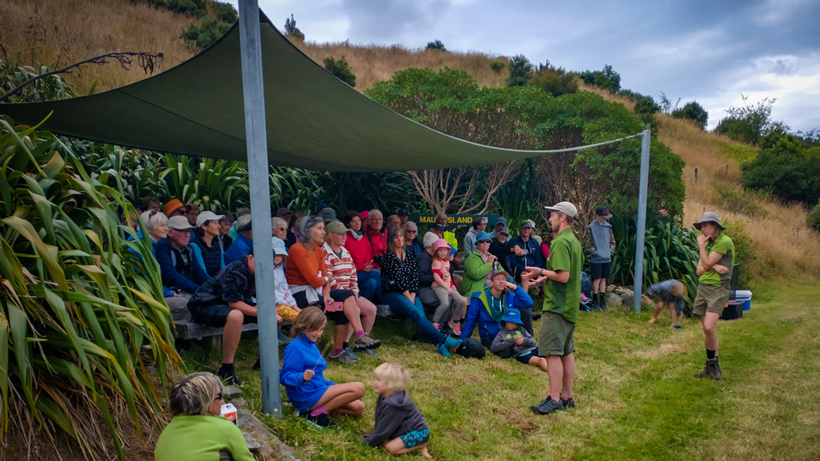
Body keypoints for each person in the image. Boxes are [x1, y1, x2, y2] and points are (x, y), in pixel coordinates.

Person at [286, 215, 380, 365]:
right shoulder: (297, 249)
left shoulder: (318, 251)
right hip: (300, 294)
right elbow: (315, 280)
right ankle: (354, 339)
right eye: (319, 228)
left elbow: (324, 279)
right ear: (307, 230)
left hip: (317, 292)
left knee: (346, 300)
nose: (323, 232)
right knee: (344, 299)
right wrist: (325, 280)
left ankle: (345, 346)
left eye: (323, 228)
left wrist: (326, 294)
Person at [187, 252, 276, 384]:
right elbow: (233, 303)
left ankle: (265, 363)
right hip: (204, 305)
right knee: (236, 316)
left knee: (274, 317)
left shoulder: (260, 272)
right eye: (262, 263)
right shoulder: (237, 270)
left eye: (269, 265)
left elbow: (264, 298)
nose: (264, 267)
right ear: (250, 258)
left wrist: (270, 311)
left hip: (225, 306)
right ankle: (226, 368)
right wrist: (263, 312)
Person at [529, 201, 583, 416]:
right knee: (566, 351)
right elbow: (569, 274)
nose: (549, 218)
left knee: (552, 353)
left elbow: (563, 276)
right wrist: (542, 279)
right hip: (570, 305)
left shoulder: (560, 241)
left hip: (557, 306)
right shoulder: (574, 241)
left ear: (562, 217)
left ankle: (554, 399)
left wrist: (540, 271)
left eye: (552, 214)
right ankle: (566, 396)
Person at [380, 227, 462, 357]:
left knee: (421, 316)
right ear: (391, 240)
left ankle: (439, 345)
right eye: (396, 237)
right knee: (416, 313)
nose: (400, 239)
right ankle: (444, 340)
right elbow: (398, 280)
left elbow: (414, 277)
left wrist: (412, 295)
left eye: (400, 236)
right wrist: (409, 297)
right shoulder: (389, 257)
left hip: (411, 293)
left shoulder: (408, 254)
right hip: (393, 293)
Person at [280, 307, 366, 428]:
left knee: (358, 408)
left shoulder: (311, 344)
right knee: (359, 388)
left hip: (318, 388)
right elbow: (284, 376)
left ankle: (317, 409)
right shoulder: (295, 347)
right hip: (306, 394)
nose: (318, 333)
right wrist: (301, 377)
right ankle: (315, 414)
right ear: (303, 326)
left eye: (321, 329)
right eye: (314, 329)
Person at [154, 372, 253, 461]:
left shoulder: (165, 434)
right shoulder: (225, 429)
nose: (222, 401)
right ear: (207, 402)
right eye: (219, 396)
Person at [324, 221, 380, 358]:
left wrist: (354, 291)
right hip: (334, 293)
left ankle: (362, 344)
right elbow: (328, 278)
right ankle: (345, 345)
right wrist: (346, 293)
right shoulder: (324, 253)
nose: (344, 237)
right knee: (356, 310)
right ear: (330, 235)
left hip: (349, 292)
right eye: (340, 234)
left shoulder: (345, 252)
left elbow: (353, 275)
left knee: (371, 309)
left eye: (345, 234)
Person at [692, 212, 734, 381]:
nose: (702, 230)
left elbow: (706, 263)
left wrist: (702, 248)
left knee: (709, 327)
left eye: (705, 226)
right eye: (701, 227)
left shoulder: (724, 241)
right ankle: (711, 364)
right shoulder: (710, 244)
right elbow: (699, 270)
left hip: (718, 289)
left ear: (715, 226)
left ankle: (712, 364)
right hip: (703, 287)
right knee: (707, 330)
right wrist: (714, 266)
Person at [363, 363, 432, 459]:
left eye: (378, 380)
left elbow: (387, 427)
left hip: (419, 432)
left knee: (390, 448)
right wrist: (376, 435)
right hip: (404, 430)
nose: (375, 382)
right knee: (384, 441)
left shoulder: (393, 404)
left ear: (391, 385)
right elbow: (382, 420)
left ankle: (420, 444)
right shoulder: (384, 397)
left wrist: (371, 442)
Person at [460, 270, 534, 348]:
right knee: (507, 351)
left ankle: (529, 340)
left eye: (504, 279)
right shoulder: (479, 298)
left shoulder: (508, 295)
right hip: (491, 337)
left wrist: (515, 287)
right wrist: (461, 341)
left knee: (525, 311)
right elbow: (470, 320)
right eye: (498, 279)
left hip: (508, 334)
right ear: (491, 283)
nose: (501, 282)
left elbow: (528, 303)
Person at [139, 210, 190, 321]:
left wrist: (169, 291)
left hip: (148, 293)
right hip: (142, 298)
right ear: (150, 227)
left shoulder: (147, 244)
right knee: (185, 303)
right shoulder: (143, 245)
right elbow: (147, 279)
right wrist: (168, 293)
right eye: (162, 225)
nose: (166, 229)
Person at [155, 216, 210, 296]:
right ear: (170, 232)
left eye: (189, 231)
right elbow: (171, 275)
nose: (187, 235)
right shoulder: (161, 249)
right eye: (183, 231)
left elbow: (198, 272)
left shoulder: (189, 249)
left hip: (190, 288)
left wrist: (212, 286)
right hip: (174, 291)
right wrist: (199, 290)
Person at [430, 239, 468, 335]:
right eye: (440, 250)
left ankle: (454, 321)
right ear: (436, 251)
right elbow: (436, 277)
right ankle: (435, 322)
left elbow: (448, 275)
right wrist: (447, 288)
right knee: (445, 303)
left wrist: (452, 285)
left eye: (445, 250)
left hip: (448, 286)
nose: (443, 253)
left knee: (461, 301)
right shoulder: (436, 261)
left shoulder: (447, 261)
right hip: (438, 286)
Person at [343, 210, 381, 304]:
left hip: (363, 271)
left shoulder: (364, 237)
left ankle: (364, 307)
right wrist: (362, 267)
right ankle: (384, 300)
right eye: (354, 221)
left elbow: (368, 254)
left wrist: (368, 266)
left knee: (372, 283)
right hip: (352, 273)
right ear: (348, 224)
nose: (357, 223)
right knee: (377, 273)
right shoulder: (346, 238)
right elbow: (347, 262)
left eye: (359, 220)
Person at [586, 206, 616, 310]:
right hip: (597, 259)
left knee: (603, 279)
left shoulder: (608, 227)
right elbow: (588, 245)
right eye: (603, 216)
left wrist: (610, 251)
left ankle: (602, 300)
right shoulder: (591, 227)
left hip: (607, 258)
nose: (605, 218)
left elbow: (612, 241)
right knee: (597, 278)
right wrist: (596, 252)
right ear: (597, 215)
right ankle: (595, 299)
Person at [272, 237, 300, 325]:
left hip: (284, 304)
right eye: (275, 254)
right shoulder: (264, 271)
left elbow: (286, 290)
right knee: (298, 319)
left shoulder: (280, 269)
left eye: (280, 254)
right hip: (272, 306)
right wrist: (283, 303)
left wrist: (294, 305)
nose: (277, 257)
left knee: (303, 315)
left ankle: (279, 333)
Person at [460, 231, 496, 298]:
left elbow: (501, 272)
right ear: (477, 244)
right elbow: (475, 274)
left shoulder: (491, 256)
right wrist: (489, 264)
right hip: (477, 289)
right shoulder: (472, 257)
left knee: (509, 290)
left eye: (487, 241)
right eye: (482, 241)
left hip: (493, 286)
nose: (485, 243)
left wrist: (496, 265)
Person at [189, 211, 225, 278]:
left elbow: (223, 269)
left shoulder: (217, 245)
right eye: (214, 223)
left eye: (218, 223)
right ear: (204, 226)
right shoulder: (195, 245)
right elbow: (201, 273)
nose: (219, 226)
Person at [415, 232, 442, 311]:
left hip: (431, 288)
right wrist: (436, 277)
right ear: (433, 245)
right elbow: (420, 276)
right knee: (446, 297)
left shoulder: (430, 256)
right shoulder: (424, 258)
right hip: (423, 290)